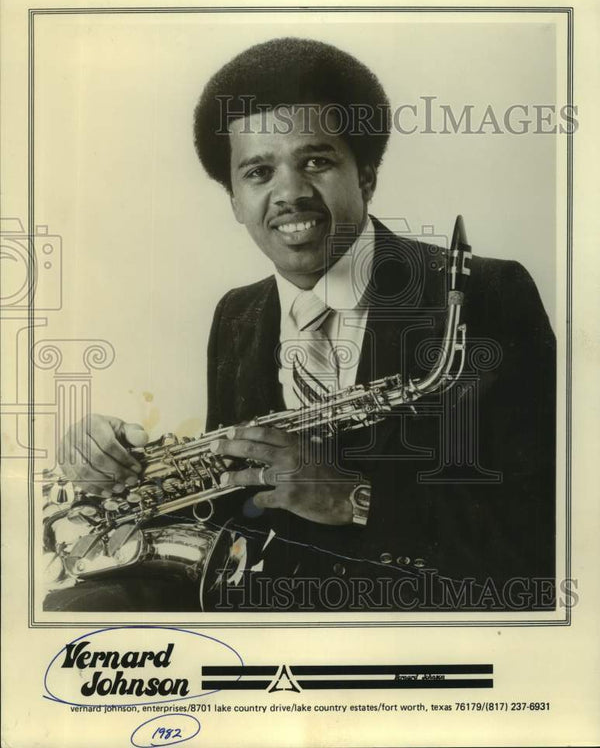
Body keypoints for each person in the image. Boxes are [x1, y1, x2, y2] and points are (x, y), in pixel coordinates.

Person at [47, 38, 556, 612]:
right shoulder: (235, 314)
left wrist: (357, 499)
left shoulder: (483, 295)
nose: (289, 193)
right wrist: (118, 470)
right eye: (259, 171)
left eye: (316, 161)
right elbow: (231, 499)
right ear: (235, 200)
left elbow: (545, 531)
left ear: (366, 176)